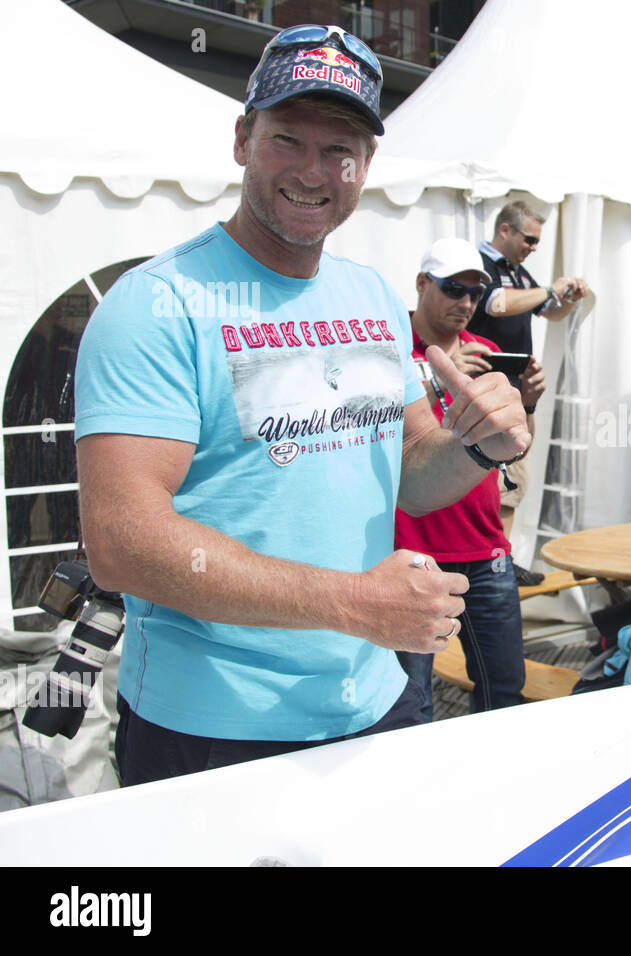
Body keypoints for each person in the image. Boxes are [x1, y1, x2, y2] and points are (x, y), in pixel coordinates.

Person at [74, 25, 530, 785]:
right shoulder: (158, 304)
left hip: (374, 697)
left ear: (367, 164)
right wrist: (353, 605)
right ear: (242, 140)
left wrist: (477, 442)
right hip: (215, 726)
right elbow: (122, 544)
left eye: (340, 148)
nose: (314, 171)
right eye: (288, 139)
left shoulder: (372, 297)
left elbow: (412, 472)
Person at [394, 238, 546, 718]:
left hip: (485, 549)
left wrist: (527, 405)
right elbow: (385, 443)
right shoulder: (390, 349)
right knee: (411, 704)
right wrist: (436, 382)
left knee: (505, 692)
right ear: (421, 284)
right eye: (453, 288)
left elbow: (518, 445)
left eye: (475, 294)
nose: (465, 303)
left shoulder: (489, 351)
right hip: (414, 552)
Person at [467, 200, 589, 562]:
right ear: (505, 229)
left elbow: (548, 312)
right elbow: (495, 304)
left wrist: (566, 298)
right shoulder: (480, 264)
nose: (534, 248)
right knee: (481, 481)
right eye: (530, 239)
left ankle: (503, 559)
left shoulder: (518, 270)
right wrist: (550, 290)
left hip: (516, 392)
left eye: (538, 241)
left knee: (514, 478)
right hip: (484, 390)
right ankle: (488, 560)